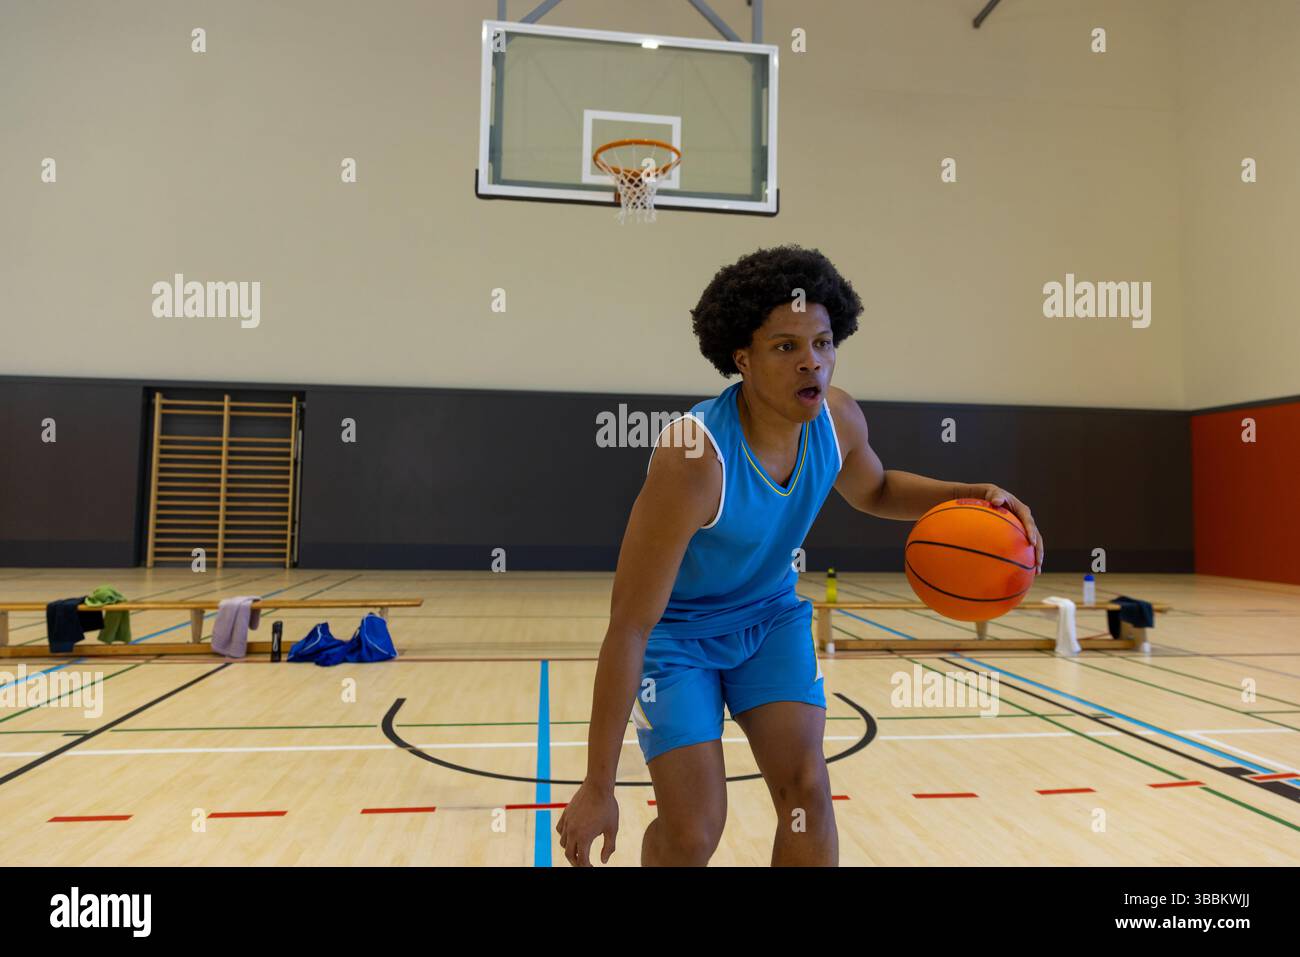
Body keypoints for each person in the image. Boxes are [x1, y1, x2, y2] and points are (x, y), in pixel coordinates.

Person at [557, 245, 1044, 866]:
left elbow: (876, 488)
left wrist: (968, 494)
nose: (811, 362)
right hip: (676, 639)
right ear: (743, 358)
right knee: (693, 829)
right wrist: (599, 785)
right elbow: (629, 624)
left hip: (769, 621)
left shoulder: (837, 420)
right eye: (786, 347)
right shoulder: (693, 456)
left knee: (806, 796)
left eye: (823, 342)